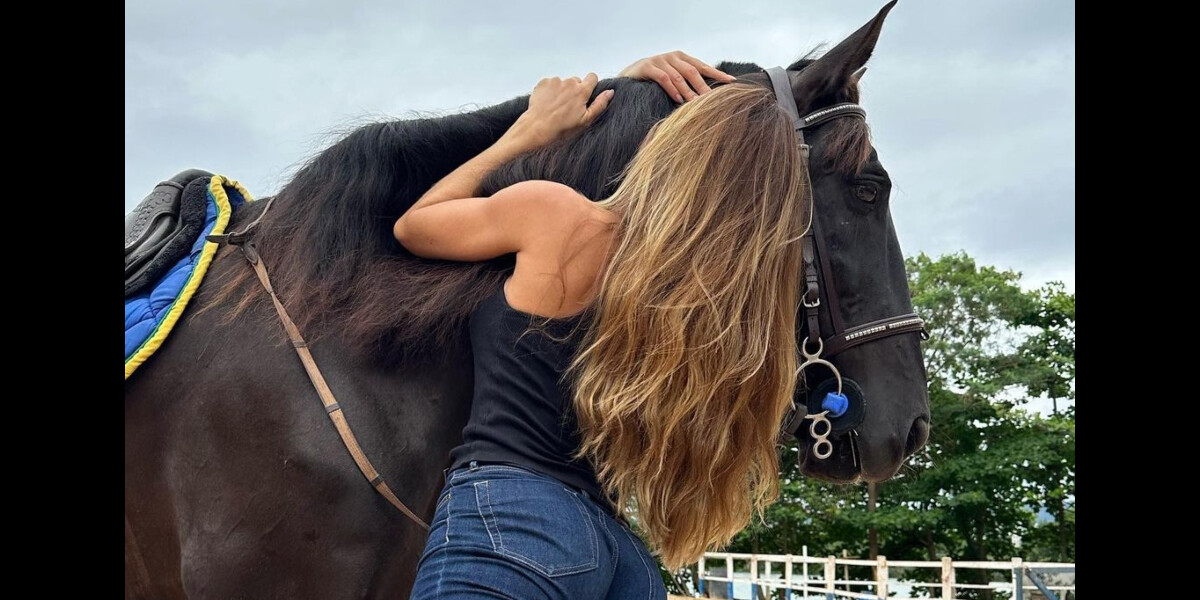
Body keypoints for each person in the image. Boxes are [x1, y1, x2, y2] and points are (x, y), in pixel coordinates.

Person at [395, 52, 808, 599]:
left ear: (671, 151)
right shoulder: (716, 313)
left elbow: (415, 227)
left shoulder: (558, 217)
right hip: (623, 559)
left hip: (515, 522)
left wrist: (527, 131)